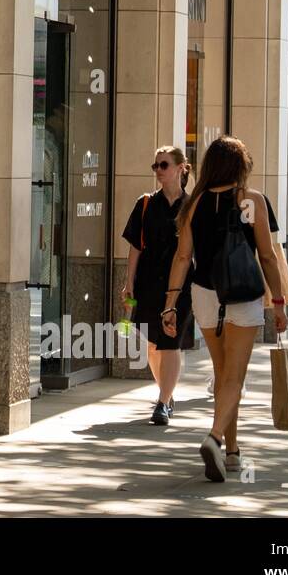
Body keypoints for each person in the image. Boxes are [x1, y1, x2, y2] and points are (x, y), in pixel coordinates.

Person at [164, 135, 288, 482]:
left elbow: (183, 256)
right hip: (244, 293)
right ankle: (215, 438)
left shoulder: (196, 203)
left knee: (223, 374)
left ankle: (231, 453)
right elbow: (266, 255)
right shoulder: (252, 201)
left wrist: (170, 304)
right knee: (235, 376)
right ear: (241, 165)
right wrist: (278, 303)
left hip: (204, 292)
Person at [121, 146, 194, 425]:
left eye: (163, 165)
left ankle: (163, 403)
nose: (158, 171)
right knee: (152, 345)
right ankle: (167, 391)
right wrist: (129, 284)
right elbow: (136, 248)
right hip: (149, 282)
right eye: (156, 166)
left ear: (180, 168)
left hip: (181, 285)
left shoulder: (191, 206)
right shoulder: (145, 204)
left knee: (170, 342)